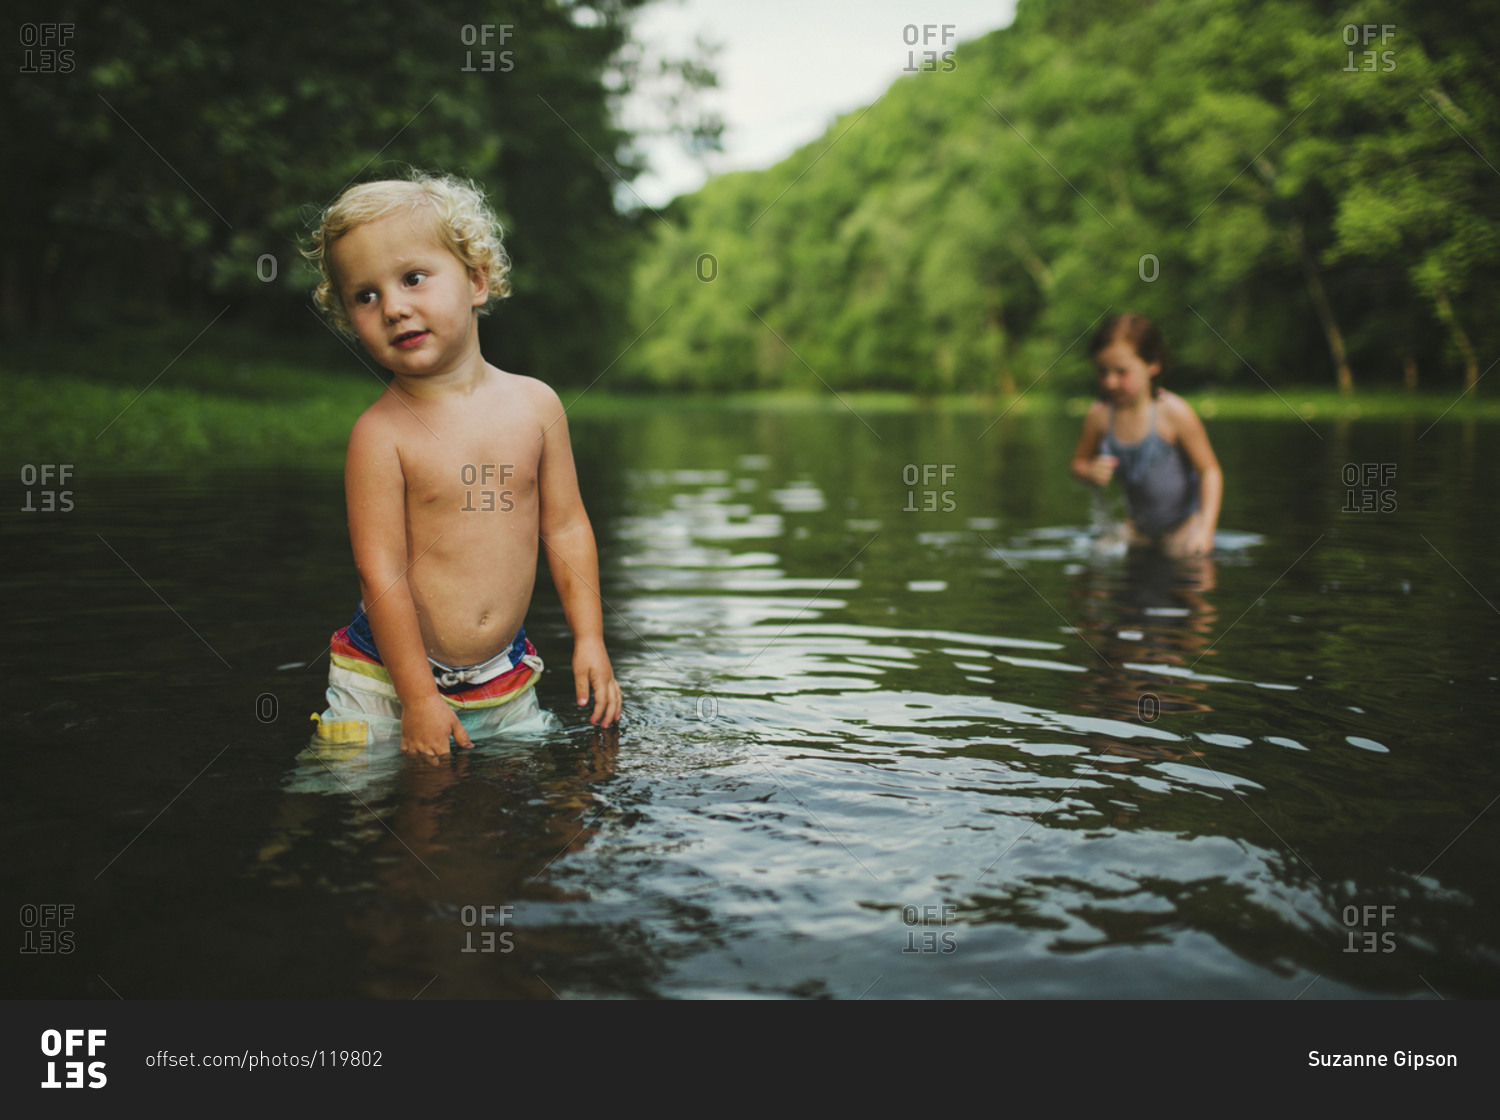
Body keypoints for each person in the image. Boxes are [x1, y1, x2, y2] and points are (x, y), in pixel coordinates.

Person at [304, 172, 621, 759]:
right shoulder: (380, 435)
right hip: (383, 680)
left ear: (476, 280)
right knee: (349, 791)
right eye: (365, 296)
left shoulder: (537, 405)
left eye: (414, 278)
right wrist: (419, 698)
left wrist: (591, 639)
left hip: (501, 676)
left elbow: (567, 526)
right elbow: (383, 577)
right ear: (350, 319)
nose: (394, 307)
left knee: (526, 801)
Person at [1070, 312, 1221, 557]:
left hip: (1184, 528)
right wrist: (1090, 471)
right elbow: (1078, 464)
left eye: (1121, 372)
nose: (1109, 382)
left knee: (1185, 582)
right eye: (1102, 371)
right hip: (1138, 531)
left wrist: (1205, 530)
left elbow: (1209, 471)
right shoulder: (1099, 416)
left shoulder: (1174, 413)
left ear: (1153, 364)